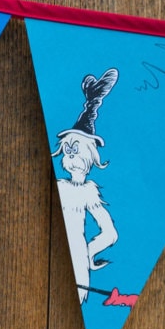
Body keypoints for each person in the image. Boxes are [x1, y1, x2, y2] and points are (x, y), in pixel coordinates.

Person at [55, 69, 118, 303]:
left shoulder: (88, 192)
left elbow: (110, 233)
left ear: (91, 156)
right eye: (68, 151)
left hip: (78, 260)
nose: (70, 158)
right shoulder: (59, 185)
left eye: (75, 151)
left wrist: (88, 254)